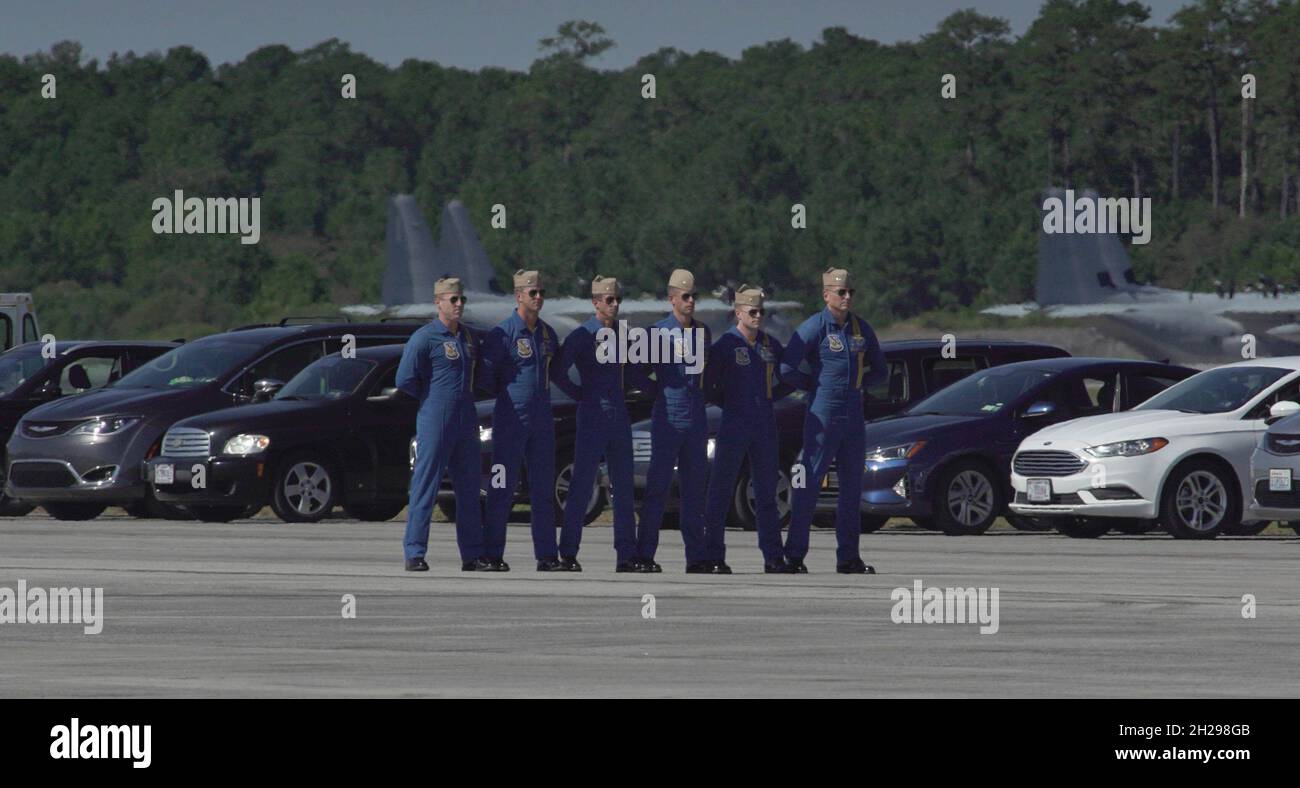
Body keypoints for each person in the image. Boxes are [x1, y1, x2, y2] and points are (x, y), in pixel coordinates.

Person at [779, 268, 887, 574]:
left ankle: (848, 557)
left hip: (853, 415)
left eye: (850, 292)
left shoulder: (861, 329)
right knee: (808, 483)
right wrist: (814, 386)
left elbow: (880, 370)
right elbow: (786, 368)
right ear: (827, 295)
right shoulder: (815, 327)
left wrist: (861, 385)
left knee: (852, 488)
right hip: (824, 414)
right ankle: (794, 555)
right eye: (841, 292)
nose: (847, 297)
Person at [480, 270, 581, 572]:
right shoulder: (503, 334)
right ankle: (492, 554)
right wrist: (509, 397)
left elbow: (558, 372)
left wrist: (580, 394)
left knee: (543, 490)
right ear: (518, 296)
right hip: (511, 420)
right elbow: (486, 377)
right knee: (502, 486)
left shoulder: (547, 334)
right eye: (532, 293)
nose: (538, 298)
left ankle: (547, 555)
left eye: (541, 293)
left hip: (542, 421)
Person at [554, 276, 652, 571]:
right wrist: (580, 395)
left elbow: (632, 373)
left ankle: (626, 555)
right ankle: (568, 552)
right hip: (593, 415)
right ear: (596, 302)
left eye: (618, 299)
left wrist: (658, 391)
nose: (615, 304)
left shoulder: (623, 335)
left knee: (623, 487)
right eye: (609, 300)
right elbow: (558, 370)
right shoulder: (583, 335)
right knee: (582, 484)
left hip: (619, 415)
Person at [397, 277, 495, 572]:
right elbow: (405, 379)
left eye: (462, 299)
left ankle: (472, 555)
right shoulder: (425, 338)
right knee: (426, 486)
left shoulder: (468, 337)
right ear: (438, 302)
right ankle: (415, 552)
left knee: (469, 489)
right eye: (453, 300)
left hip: (465, 417)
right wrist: (432, 398)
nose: (459, 304)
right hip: (435, 417)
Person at [703, 285, 796, 573]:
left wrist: (769, 397)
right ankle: (713, 555)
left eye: (761, 312)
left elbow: (790, 375)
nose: (758, 316)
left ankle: (773, 557)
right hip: (734, 423)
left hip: (764, 424)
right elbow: (709, 386)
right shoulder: (725, 346)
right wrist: (732, 403)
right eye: (752, 312)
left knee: (766, 492)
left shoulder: (769, 344)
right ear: (738, 313)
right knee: (721, 489)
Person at [636, 269, 713, 573]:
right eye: (685, 296)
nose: (691, 301)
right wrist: (657, 391)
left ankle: (696, 557)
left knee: (694, 490)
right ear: (672, 299)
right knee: (658, 487)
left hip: (696, 419)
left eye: (694, 296)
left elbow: (707, 373)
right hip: (668, 418)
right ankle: (645, 554)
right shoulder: (657, 333)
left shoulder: (703, 332)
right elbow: (635, 372)